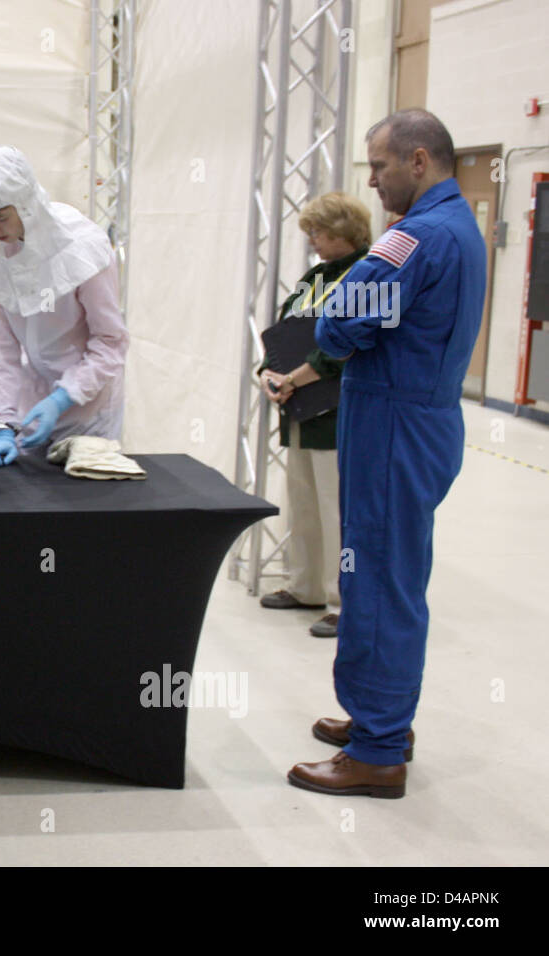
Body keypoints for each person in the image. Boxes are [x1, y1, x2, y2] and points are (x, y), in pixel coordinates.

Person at [288, 109, 486, 798]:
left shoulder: (416, 236)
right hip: (417, 418)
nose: (371, 181)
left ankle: (377, 751)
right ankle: (382, 718)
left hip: (394, 427)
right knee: (390, 573)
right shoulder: (460, 226)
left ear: (420, 161)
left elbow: (340, 322)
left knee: (375, 580)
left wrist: (341, 330)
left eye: (379, 166)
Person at [0, 146, 129, 466]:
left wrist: (63, 398)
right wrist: (1, 426)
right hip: (32, 404)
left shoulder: (84, 248)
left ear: (26, 206)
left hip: (90, 407)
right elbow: (1, 353)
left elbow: (110, 342)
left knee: (85, 500)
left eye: (1, 217)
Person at [257, 192, 371, 638]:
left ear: (344, 230)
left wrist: (295, 379)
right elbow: (286, 331)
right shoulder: (317, 275)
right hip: (301, 405)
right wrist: (268, 371)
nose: (313, 241)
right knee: (304, 501)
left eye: (318, 232)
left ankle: (345, 602)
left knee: (338, 509)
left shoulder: (367, 274)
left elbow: (348, 343)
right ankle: (305, 585)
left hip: (339, 408)